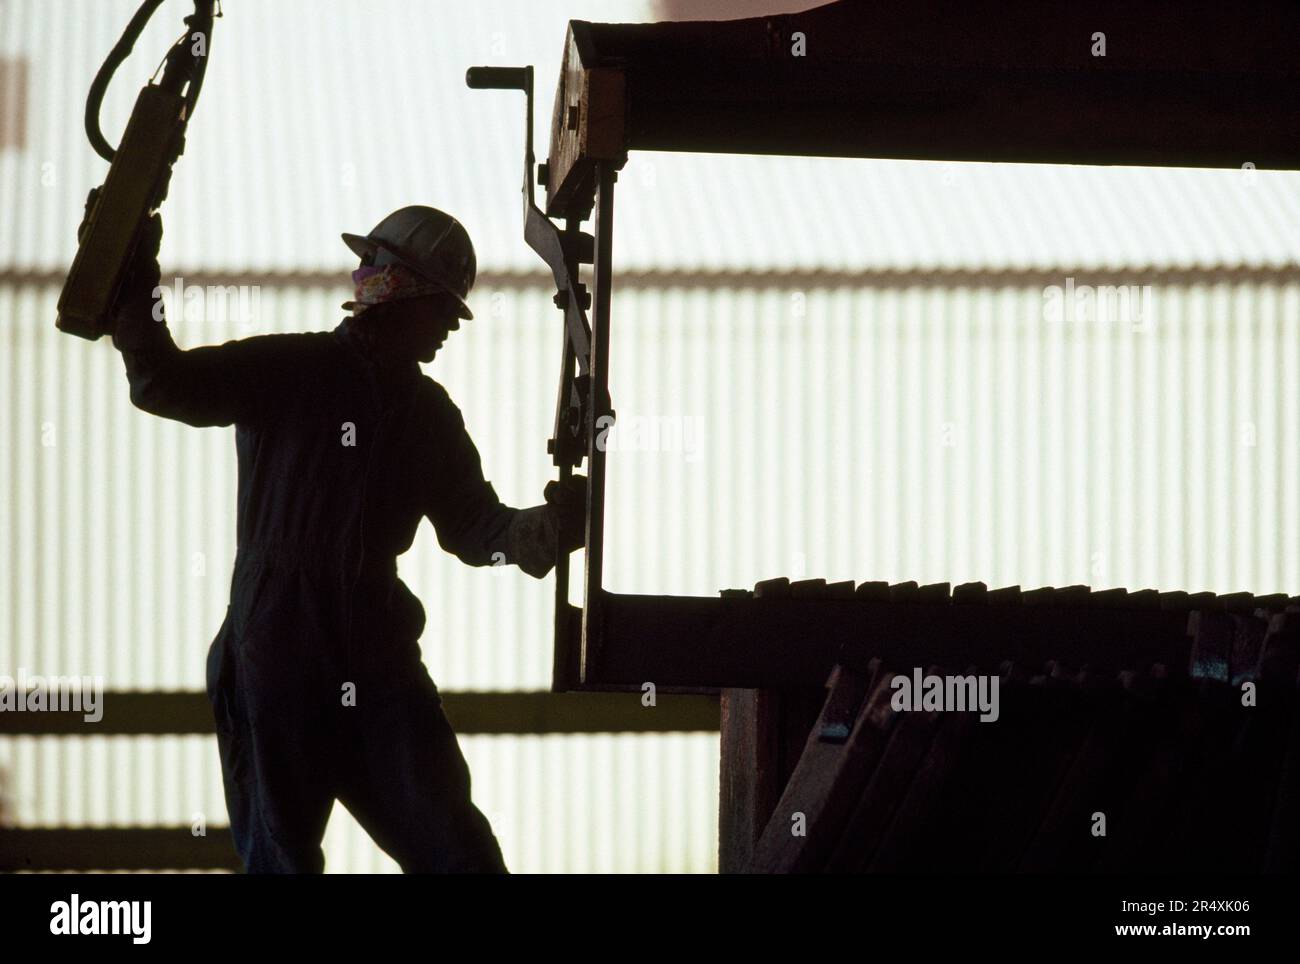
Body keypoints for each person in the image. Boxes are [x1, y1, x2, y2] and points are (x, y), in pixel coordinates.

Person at [88, 200, 586, 872]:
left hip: (371, 660)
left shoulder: (427, 416)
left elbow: (475, 528)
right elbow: (163, 382)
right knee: (284, 862)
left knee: (458, 854)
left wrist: (542, 531)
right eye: (441, 307)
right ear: (400, 294)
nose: (448, 326)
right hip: (279, 656)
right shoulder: (292, 372)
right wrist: (131, 275)